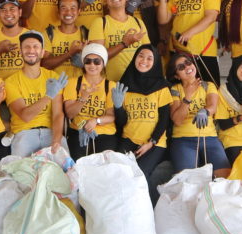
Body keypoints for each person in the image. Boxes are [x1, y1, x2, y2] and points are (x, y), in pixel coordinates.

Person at [115, 44, 170, 201]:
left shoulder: (161, 87)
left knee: (140, 175)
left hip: (154, 143)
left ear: (155, 62)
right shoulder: (123, 86)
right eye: (141, 56)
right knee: (118, 173)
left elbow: (164, 119)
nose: (144, 61)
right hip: (128, 139)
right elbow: (121, 122)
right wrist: (118, 106)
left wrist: (151, 142)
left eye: (149, 58)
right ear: (134, 58)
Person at [156, 0, 222, 84]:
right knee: (179, 90)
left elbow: (211, 17)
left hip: (203, 52)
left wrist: (189, 33)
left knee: (209, 89)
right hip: (178, 53)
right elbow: (163, 20)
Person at [3, 32, 65, 157]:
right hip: (24, 134)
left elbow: (58, 114)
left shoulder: (53, 76)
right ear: (20, 52)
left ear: (42, 52)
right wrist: (48, 96)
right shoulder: (10, 82)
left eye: (36, 47)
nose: (31, 50)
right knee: (22, 169)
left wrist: (57, 140)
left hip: (51, 132)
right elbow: (25, 116)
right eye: (26, 47)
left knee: (66, 166)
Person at [168, 52, 228, 175]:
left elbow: (213, 106)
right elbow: (177, 120)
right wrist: (188, 96)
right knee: (188, 180)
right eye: (181, 67)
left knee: (224, 176)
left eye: (188, 63)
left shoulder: (208, 85)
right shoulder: (175, 89)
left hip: (209, 138)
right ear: (177, 76)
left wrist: (205, 111)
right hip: (183, 140)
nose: (187, 67)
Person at [63, 43, 115, 159]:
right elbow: (70, 114)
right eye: (88, 61)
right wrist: (84, 97)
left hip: (105, 132)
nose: (92, 65)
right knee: (78, 166)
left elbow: (112, 116)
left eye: (97, 61)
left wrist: (96, 121)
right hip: (79, 131)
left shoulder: (111, 85)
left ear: (103, 64)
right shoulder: (73, 83)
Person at [96, 0, 148, 82]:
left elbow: (148, 52)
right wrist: (124, 44)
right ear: (105, 0)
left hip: (137, 81)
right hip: (111, 83)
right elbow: (97, 57)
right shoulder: (100, 23)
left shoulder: (138, 22)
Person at [43, 0, 98, 77]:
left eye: (73, 8)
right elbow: (45, 65)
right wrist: (70, 53)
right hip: (55, 83)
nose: (68, 12)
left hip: (80, 84)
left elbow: (97, 67)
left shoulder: (86, 34)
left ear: (79, 11)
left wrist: (84, 63)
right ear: (58, 12)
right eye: (64, 8)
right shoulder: (49, 33)